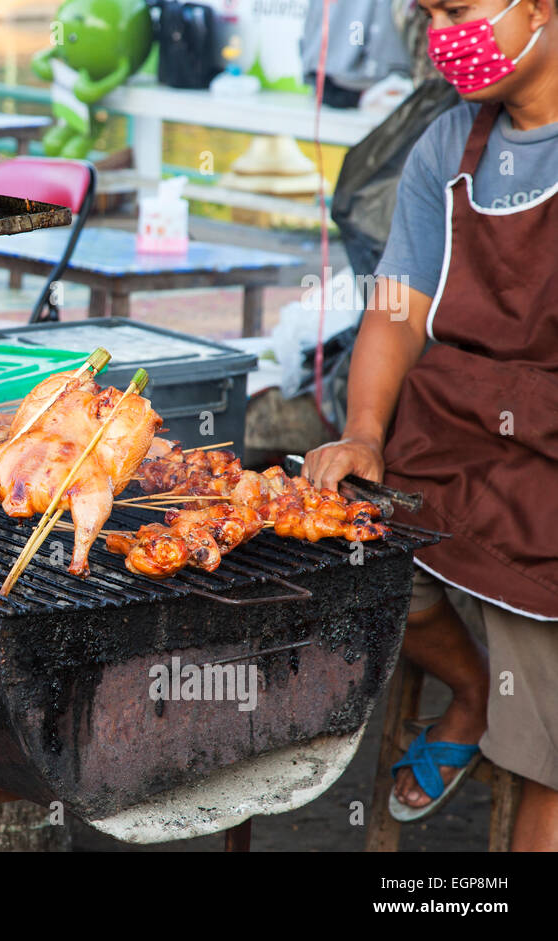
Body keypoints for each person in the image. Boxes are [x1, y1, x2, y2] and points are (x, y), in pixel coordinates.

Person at [304, 0, 558, 850]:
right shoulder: (446, 147)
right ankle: (481, 689)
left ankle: (529, 726)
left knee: (548, 769)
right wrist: (366, 432)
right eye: (428, 11)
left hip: (547, 481)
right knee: (360, 562)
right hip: (443, 446)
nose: (440, 31)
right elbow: (396, 311)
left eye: (459, 8)